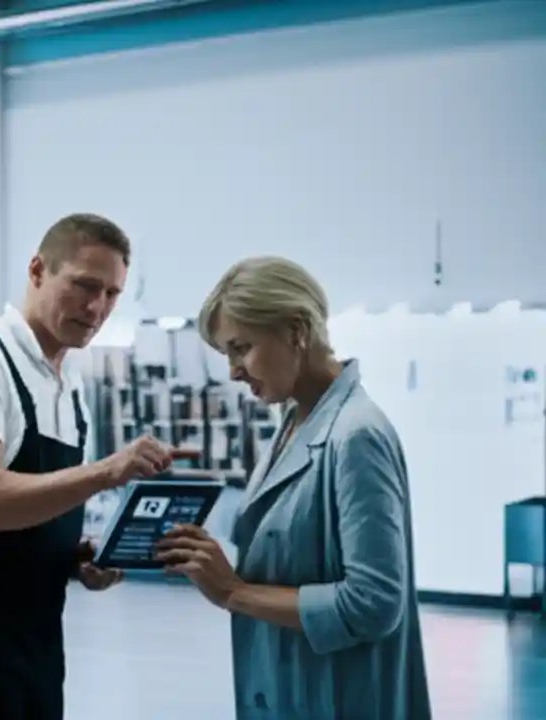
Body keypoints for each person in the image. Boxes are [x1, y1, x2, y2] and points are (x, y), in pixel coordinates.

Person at [0, 213, 189, 720]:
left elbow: (32, 504)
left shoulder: (66, 384)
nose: (96, 307)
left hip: (37, 639)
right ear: (37, 270)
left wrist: (71, 558)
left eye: (112, 293)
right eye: (83, 285)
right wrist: (106, 471)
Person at [155, 256, 432, 719]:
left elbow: (375, 603)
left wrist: (233, 592)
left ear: (296, 330)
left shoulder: (356, 435)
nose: (233, 371)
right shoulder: (291, 425)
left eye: (240, 348)